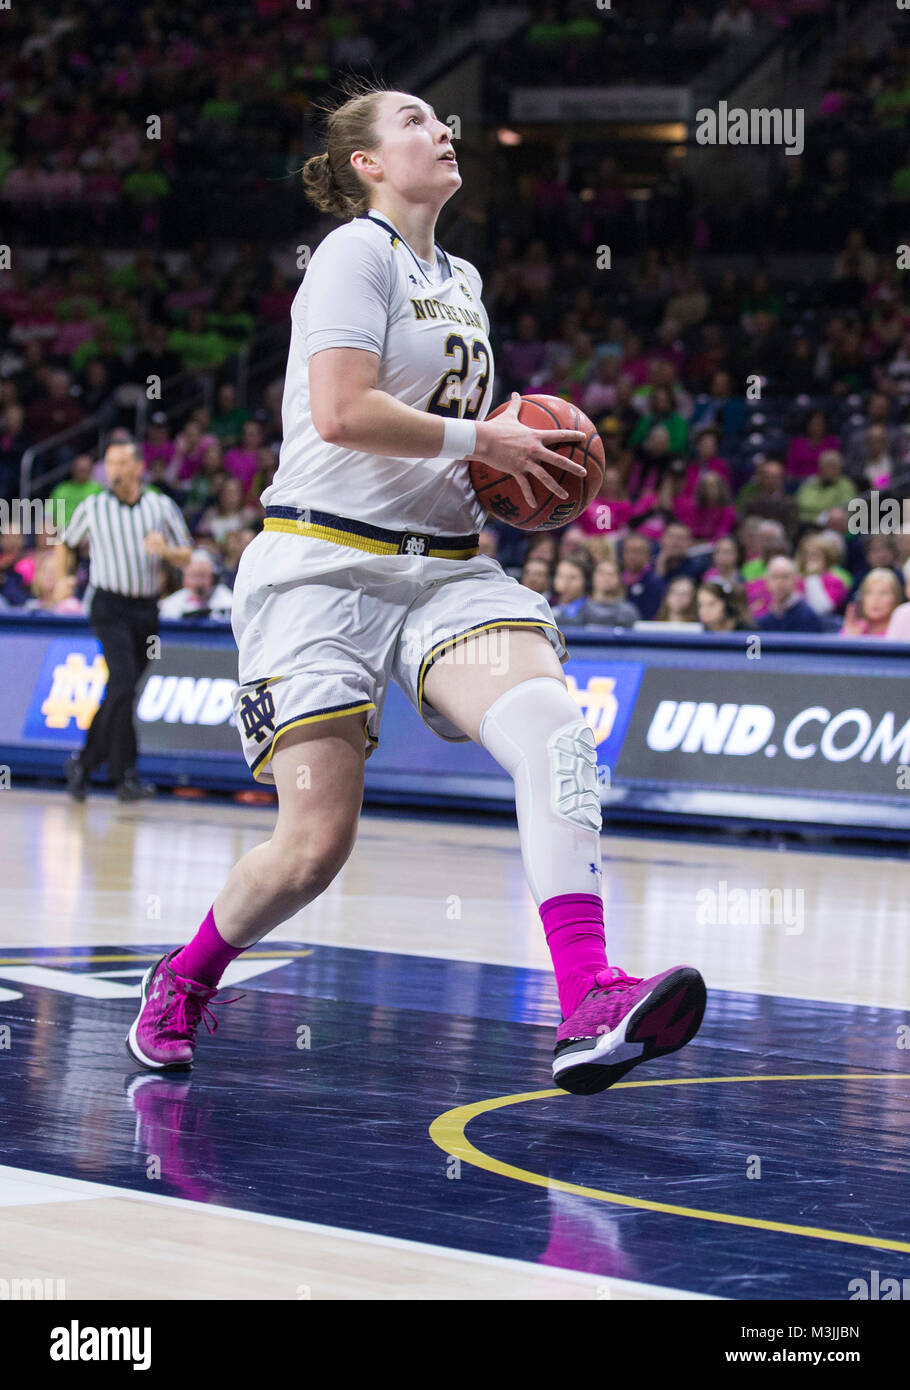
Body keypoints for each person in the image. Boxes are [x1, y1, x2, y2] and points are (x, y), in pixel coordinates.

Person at [125, 83, 705, 1093]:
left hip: (441, 566)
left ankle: (589, 996)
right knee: (313, 848)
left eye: (445, 120)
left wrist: (518, 470)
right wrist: (487, 437)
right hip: (319, 569)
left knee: (557, 734)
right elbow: (345, 412)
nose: (443, 131)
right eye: (415, 122)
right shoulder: (355, 251)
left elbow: (451, 440)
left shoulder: (463, 275)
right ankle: (185, 975)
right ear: (366, 163)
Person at [57, 440, 193, 800]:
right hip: (108, 606)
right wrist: (62, 580)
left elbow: (187, 554)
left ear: (137, 467)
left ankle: (88, 765)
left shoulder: (159, 505)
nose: (114, 470)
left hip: (146, 608)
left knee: (123, 690)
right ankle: (120, 773)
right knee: (123, 681)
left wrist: (166, 551)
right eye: (110, 463)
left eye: (121, 463)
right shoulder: (94, 505)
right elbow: (66, 544)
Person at [158, 549, 234, 620]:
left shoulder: (228, 602)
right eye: (193, 576)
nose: (198, 582)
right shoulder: (170, 604)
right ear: (184, 578)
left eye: (202, 576)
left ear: (213, 578)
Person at [754, 557, 823, 633]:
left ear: (795, 580)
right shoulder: (761, 616)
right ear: (766, 581)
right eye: (774, 577)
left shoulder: (807, 615)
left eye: (785, 577)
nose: (780, 582)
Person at [840, 568, 904, 637]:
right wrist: (850, 639)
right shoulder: (853, 628)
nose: (876, 599)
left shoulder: (901, 630)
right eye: (869, 593)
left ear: (896, 597)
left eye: (883, 593)